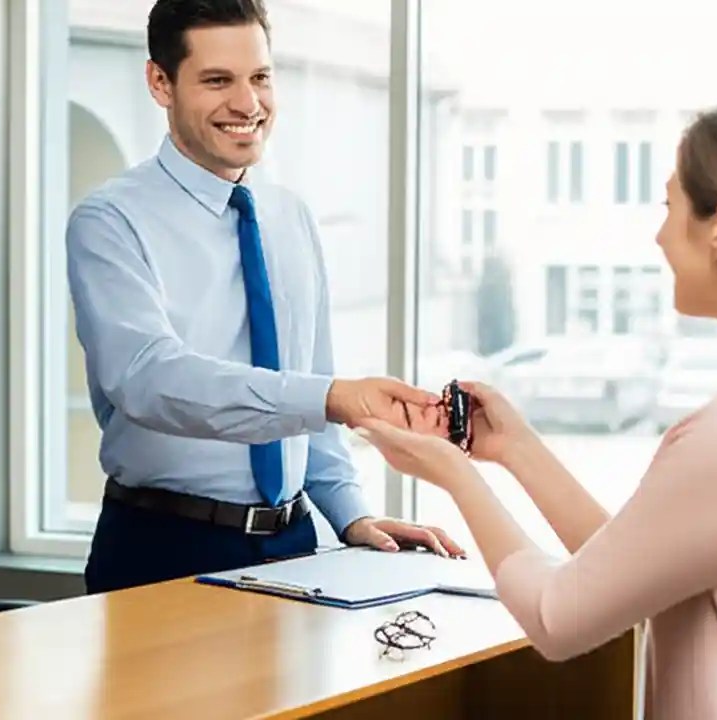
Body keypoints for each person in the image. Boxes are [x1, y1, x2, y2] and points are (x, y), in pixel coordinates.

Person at [356, 97, 717, 719]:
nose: (659, 234)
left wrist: (452, 474)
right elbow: (631, 564)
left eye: (669, 207)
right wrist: (516, 451)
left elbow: (558, 618)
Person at [67, 0, 462, 595]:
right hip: (161, 545)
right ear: (160, 82)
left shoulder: (288, 215)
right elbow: (147, 379)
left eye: (260, 77)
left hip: (296, 543)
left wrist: (350, 513)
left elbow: (308, 385)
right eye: (218, 80)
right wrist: (332, 398)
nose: (248, 104)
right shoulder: (111, 220)